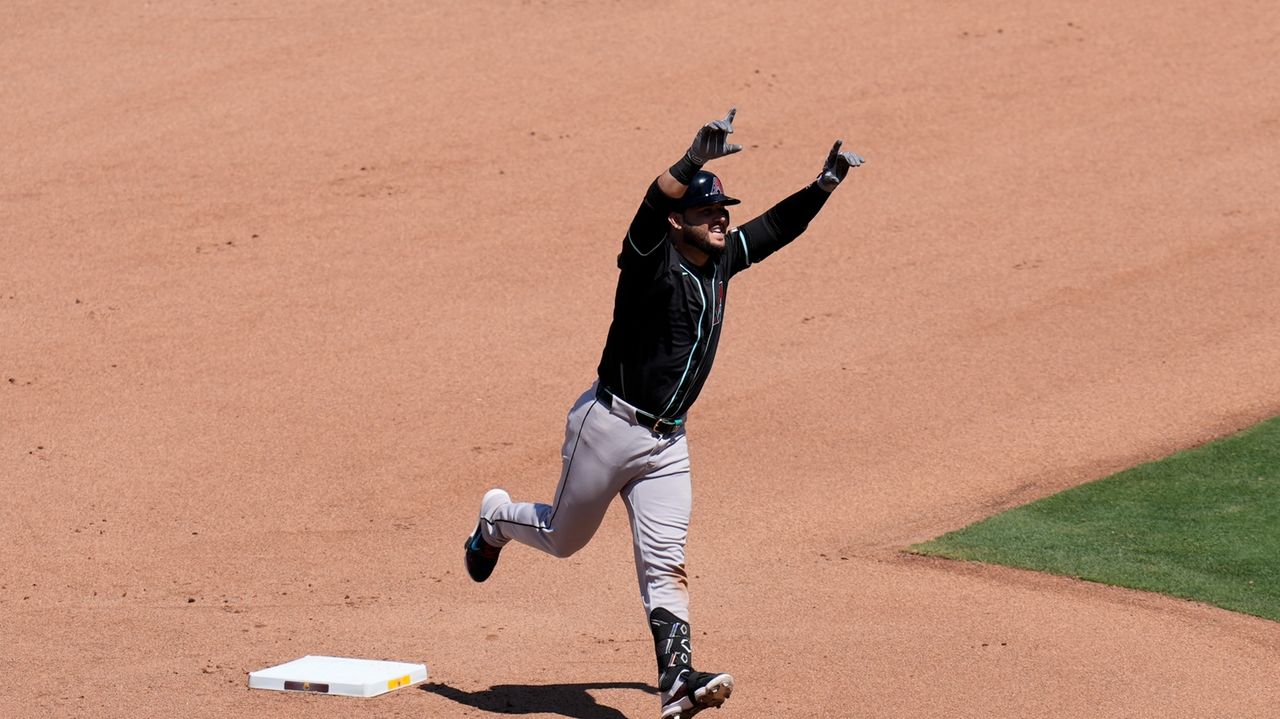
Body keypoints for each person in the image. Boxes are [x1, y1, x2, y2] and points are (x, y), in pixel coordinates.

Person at [464, 107, 864, 719]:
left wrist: (825, 184)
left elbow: (778, 227)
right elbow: (649, 211)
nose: (721, 220)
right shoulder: (649, 265)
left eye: (723, 211)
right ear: (680, 222)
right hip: (607, 429)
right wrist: (691, 161)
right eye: (708, 212)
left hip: (667, 444)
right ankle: (494, 521)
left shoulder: (723, 260)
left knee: (665, 563)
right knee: (563, 539)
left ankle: (675, 680)